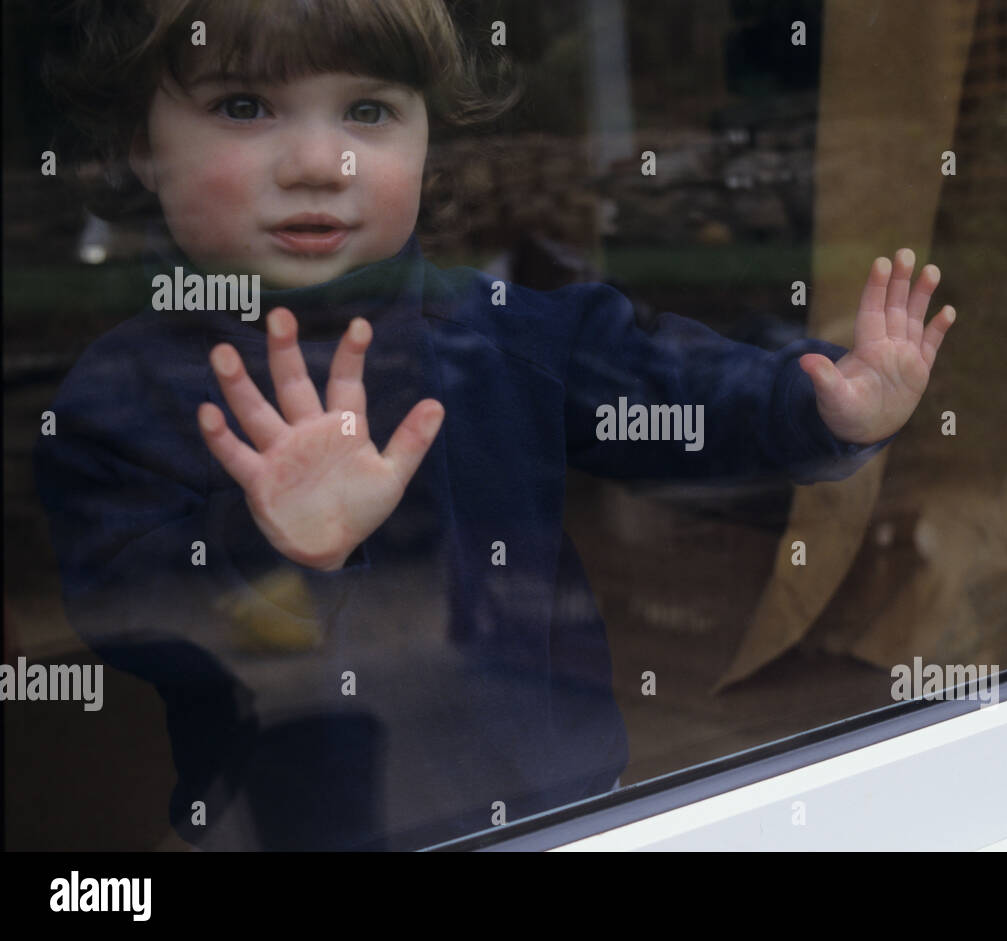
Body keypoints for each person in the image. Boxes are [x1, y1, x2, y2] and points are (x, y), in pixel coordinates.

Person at [35, 0, 955, 850]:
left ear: (432, 135)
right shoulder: (127, 391)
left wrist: (812, 405)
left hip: (566, 808)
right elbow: (126, 612)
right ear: (141, 147)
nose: (322, 163)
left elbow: (669, 390)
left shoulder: (505, 329)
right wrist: (270, 548)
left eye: (368, 112)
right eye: (244, 105)